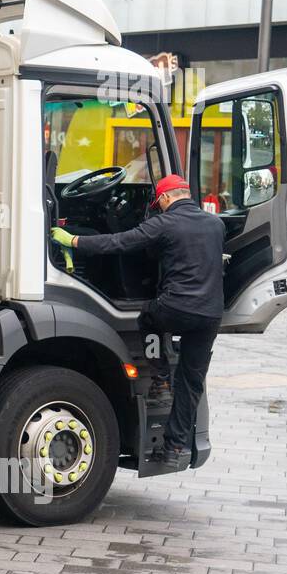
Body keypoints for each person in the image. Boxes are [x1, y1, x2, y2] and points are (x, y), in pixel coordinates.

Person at [51, 173, 226, 469]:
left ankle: (159, 377)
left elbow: (119, 243)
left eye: (159, 203)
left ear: (167, 198)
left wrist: (75, 240)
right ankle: (174, 449)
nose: (158, 207)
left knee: (147, 320)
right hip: (210, 314)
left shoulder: (164, 223)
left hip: (175, 308)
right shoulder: (216, 224)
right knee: (191, 383)